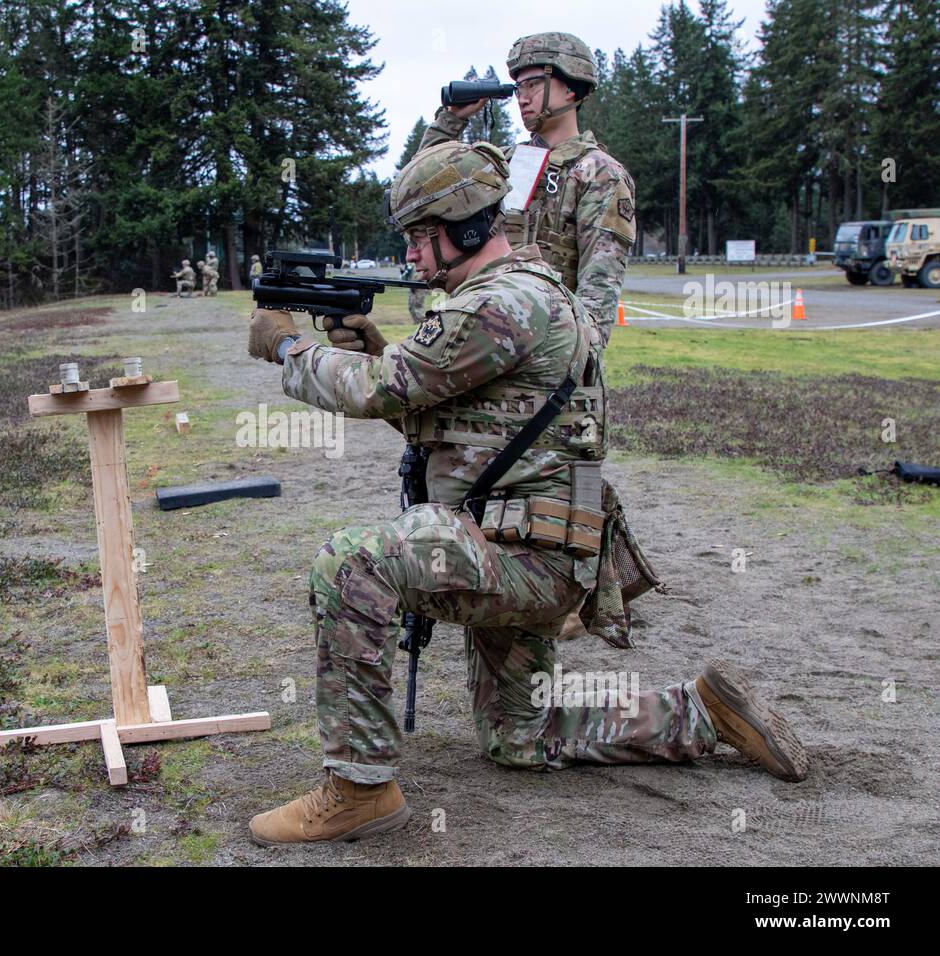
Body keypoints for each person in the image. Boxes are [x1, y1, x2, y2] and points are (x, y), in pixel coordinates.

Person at [243, 137, 808, 846]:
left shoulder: (499, 305)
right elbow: (445, 421)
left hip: (521, 558)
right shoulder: (528, 296)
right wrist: (378, 347)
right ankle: (701, 714)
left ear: (472, 228)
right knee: (521, 735)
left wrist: (291, 350)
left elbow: (380, 390)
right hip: (530, 546)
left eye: (423, 237)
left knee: (351, 564)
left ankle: (360, 789)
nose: (413, 256)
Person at [419, 32, 634, 346]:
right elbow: (424, 190)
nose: (522, 97)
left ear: (571, 87)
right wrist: (451, 120)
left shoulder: (599, 173)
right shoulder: (503, 163)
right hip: (480, 339)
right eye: (519, 87)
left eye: (533, 84)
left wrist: (574, 365)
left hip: (544, 348)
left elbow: (598, 289)